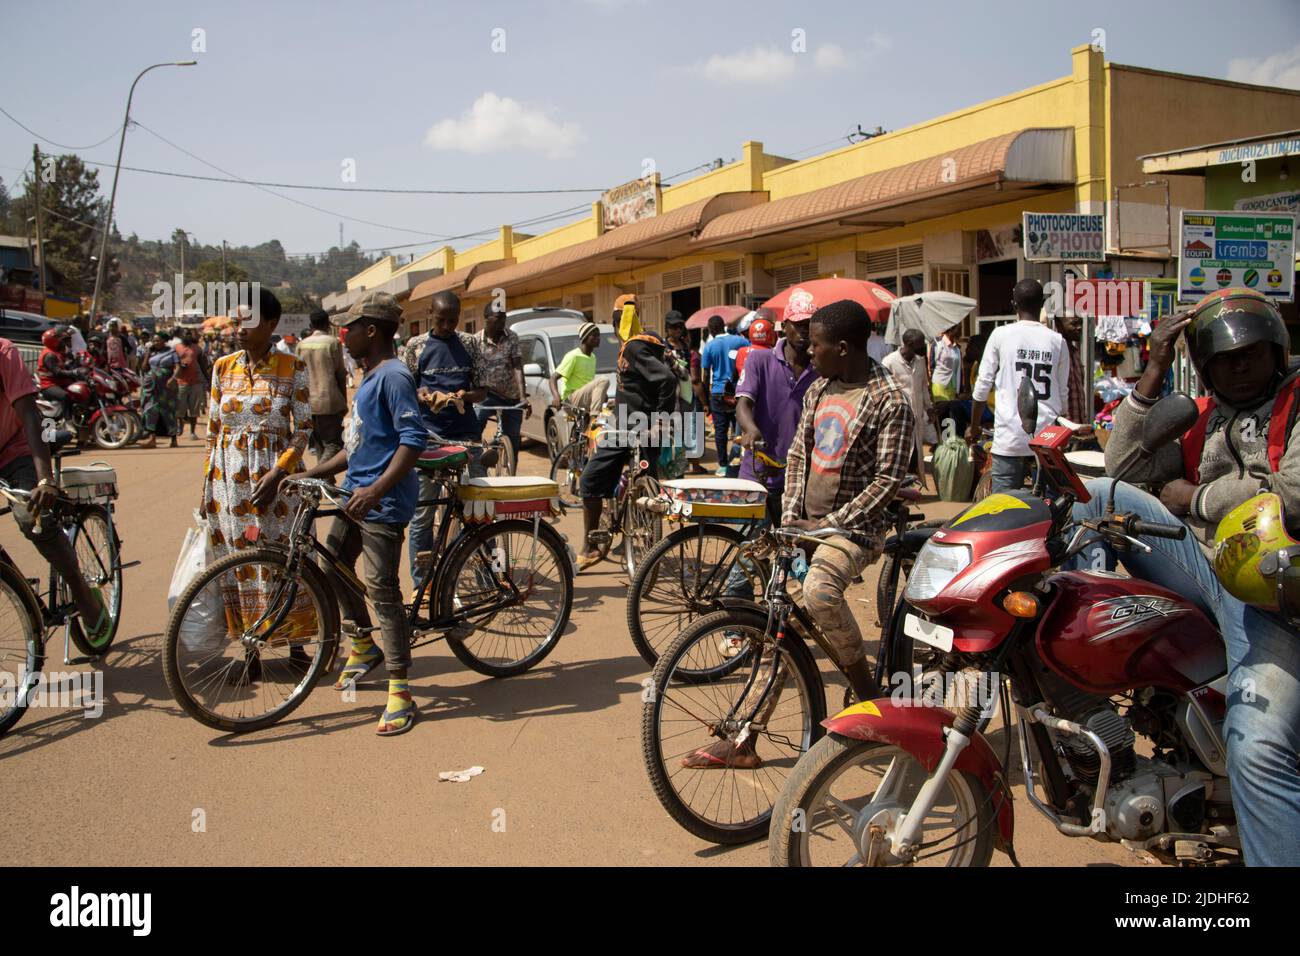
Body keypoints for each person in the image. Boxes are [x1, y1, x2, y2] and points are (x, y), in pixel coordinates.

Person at [1080, 288, 1299, 866]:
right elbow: (1122, 467)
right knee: (1098, 497)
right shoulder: (1199, 417)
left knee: (1257, 747)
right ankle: (1086, 653)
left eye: (1251, 352)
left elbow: (1297, 492)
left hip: (1275, 594)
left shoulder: (1298, 401)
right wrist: (1151, 371)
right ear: (1203, 368)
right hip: (1209, 570)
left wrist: (1199, 498)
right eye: (1224, 358)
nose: (1239, 365)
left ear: (1277, 351)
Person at [684, 299, 915, 769]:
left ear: (844, 348)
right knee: (779, 620)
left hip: (856, 529)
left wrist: (829, 524)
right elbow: (795, 459)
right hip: (804, 522)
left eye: (817, 345)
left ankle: (869, 695)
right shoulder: (821, 389)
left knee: (820, 593)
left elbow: (887, 481)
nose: (809, 353)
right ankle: (746, 740)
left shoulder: (890, 399)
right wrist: (790, 516)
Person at [297, 292, 426, 737]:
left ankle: (401, 693)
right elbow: (355, 450)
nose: (342, 335)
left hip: (382, 503)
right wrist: (309, 474)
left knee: (382, 589)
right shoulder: (369, 376)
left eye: (348, 327)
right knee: (329, 565)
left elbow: (413, 441)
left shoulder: (394, 376)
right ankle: (361, 643)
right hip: (355, 494)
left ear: (372, 331)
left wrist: (375, 490)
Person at [0, 335, 111, 645]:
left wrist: (45, 480)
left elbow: (28, 414)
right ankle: (19, 591)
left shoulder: (4, 352)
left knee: (34, 520)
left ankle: (80, 591)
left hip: (16, 449)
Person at [575, 299, 676, 571]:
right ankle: (638, 544)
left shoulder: (633, 345)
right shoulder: (646, 341)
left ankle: (590, 545)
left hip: (631, 430)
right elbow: (640, 385)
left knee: (590, 480)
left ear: (616, 320)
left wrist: (661, 422)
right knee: (645, 487)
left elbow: (667, 380)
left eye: (618, 319)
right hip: (638, 427)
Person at [401, 291, 486, 583]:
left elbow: (482, 389)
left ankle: (485, 574)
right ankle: (421, 583)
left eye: (452, 320)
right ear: (429, 315)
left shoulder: (470, 343)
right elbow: (405, 388)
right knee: (423, 514)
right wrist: (421, 394)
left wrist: (465, 395)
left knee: (479, 507)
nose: (447, 326)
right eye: (441, 320)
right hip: (428, 438)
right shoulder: (415, 346)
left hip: (467, 435)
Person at [966, 279, 1069, 492]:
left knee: (1003, 509)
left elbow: (982, 387)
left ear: (1014, 305)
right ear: (1042, 304)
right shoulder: (1057, 341)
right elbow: (1062, 393)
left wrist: (974, 427)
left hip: (1009, 438)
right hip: (1046, 439)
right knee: (1050, 507)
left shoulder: (1000, 335)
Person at [734, 295, 819, 523]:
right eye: (798, 325)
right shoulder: (759, 361)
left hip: (802, 478)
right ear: (785, 326)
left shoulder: (822, 370)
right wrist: (750, 429)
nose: (804, 331)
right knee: (753, 549)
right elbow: (743, 403)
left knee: (795, 549)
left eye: (809, 326)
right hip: (760, 471)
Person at [475, 301, 530, 462]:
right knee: (475, 424)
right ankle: (476, 458)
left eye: (504, 319)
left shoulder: (512, 337)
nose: (502, 322)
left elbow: (517, 366)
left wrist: (522, 396)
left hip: (511, 396)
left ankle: (511, 472)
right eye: (498, 318)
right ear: (486, 319)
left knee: (513, 439)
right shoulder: (476, 341)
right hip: (486, 395)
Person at [882, 328, 936, 486]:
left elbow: (924, 387)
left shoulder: (920, 362)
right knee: (899, 453)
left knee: (915, 452)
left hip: (917, 416)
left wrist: (929, 407)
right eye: (920, 344)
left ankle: (913, 487)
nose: (923, 346)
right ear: (911, 344)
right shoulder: (889, 362)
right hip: (898, 418)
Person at [298, 308, 349, 464]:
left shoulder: (301, 345)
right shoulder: (333, 343)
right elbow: (340, 374)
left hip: (308, 403)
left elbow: (298, 376)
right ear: (327, 324)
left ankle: (324, 481)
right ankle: (318, 474)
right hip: (330, 401)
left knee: (320, 445)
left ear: (311, 325)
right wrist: (344, 401)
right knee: (334, 444)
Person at [700, 313, 747, 477]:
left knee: (720, 430)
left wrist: (705, 399)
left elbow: (705, 375)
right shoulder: (740, 341)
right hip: (738, 391)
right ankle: (738, 461)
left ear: (711, 329)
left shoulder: (709, 346)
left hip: (718, 392)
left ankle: (723, 465)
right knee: (739, 429)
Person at [138, 332, 180, 448]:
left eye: (158, 340)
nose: (155, 343)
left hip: (166, 387)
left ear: (164, 341)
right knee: (150, 409)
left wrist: (173, 378)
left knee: (168, 411)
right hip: (151, 386)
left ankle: (173, 439)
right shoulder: (151, 352)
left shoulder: (172, 352)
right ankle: (152, 438)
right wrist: (148, 353)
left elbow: (178, 367)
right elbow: (144, 368)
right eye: (154, 341)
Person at [1053, 304, 1090, 426]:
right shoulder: (1055, 352)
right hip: (1062, 425)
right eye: (1074, 324)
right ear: (1059, 325)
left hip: (1077, 424)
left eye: (1080, 323)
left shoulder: (1075, 352)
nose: (1079, 327)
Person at [173, 330, 205, 439]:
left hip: (195, 382)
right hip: (181, 382)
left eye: (189, 334)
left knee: (194, 409)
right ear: (181, 336)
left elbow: (202, 364)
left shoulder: (197, 348)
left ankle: (192, 432)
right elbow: (172, 361)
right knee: (180, 408)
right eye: (185, 334)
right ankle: (180, 427)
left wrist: (207, 378)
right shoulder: (176, 348)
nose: (187, 336)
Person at [930, 328, 962, 404]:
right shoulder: (938, 343)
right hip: (940, 384)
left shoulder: (956, 348)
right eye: (958, 329)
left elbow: (958, 369)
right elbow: (932, 365)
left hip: (953, 386)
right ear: (950, 330)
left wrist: (958, 389)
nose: (960, 333)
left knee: (951, 413)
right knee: (942, 411)